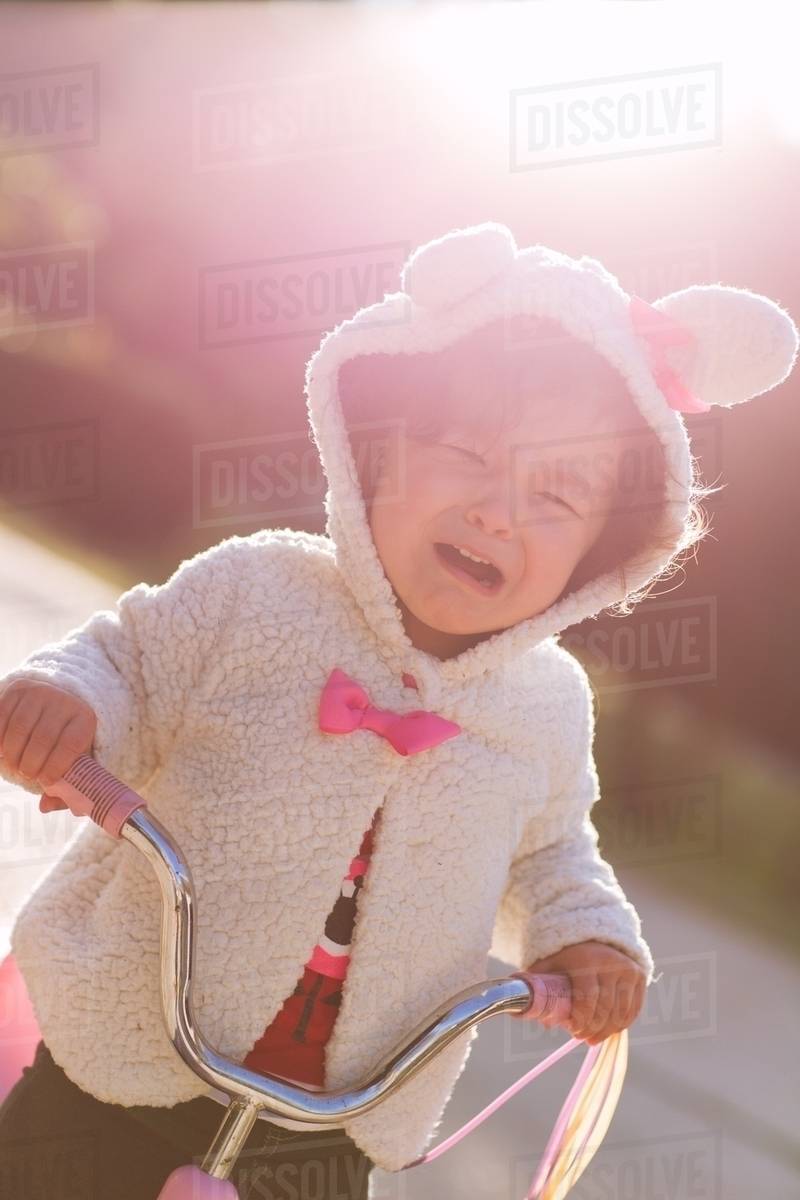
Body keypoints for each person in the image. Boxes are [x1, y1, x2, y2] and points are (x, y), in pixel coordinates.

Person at [0, 222, 796, 1199]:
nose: (496, 511)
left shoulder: (545, 708)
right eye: (467, 452)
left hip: (338, 1119)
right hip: (124, 1057)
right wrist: (64, 703)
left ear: (596, 559)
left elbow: (554, 852)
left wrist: (582, 938)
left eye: (555, 496)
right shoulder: (255, 591)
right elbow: (125, 659)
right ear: (374, 452)